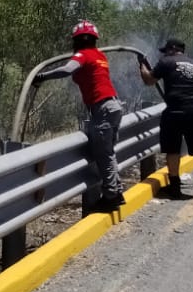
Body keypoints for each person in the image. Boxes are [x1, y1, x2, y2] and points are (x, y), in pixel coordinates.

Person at [34, 20, 125, 210]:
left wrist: (43, 76)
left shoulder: (83, 55)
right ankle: (116, 191)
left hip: (103, 108)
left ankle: (110, 197)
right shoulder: (100, 55)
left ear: (77, 41)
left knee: (104, 154)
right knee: (108, 153)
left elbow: (68, 70)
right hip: (114, 105)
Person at [137, 38, 193, 201]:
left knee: (173, 150)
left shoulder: (166, 62)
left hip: (175, 111)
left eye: (166, 51)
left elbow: (149, 80)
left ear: (171, 50)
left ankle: (175, 188)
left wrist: (142, 66)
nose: (165, 54)